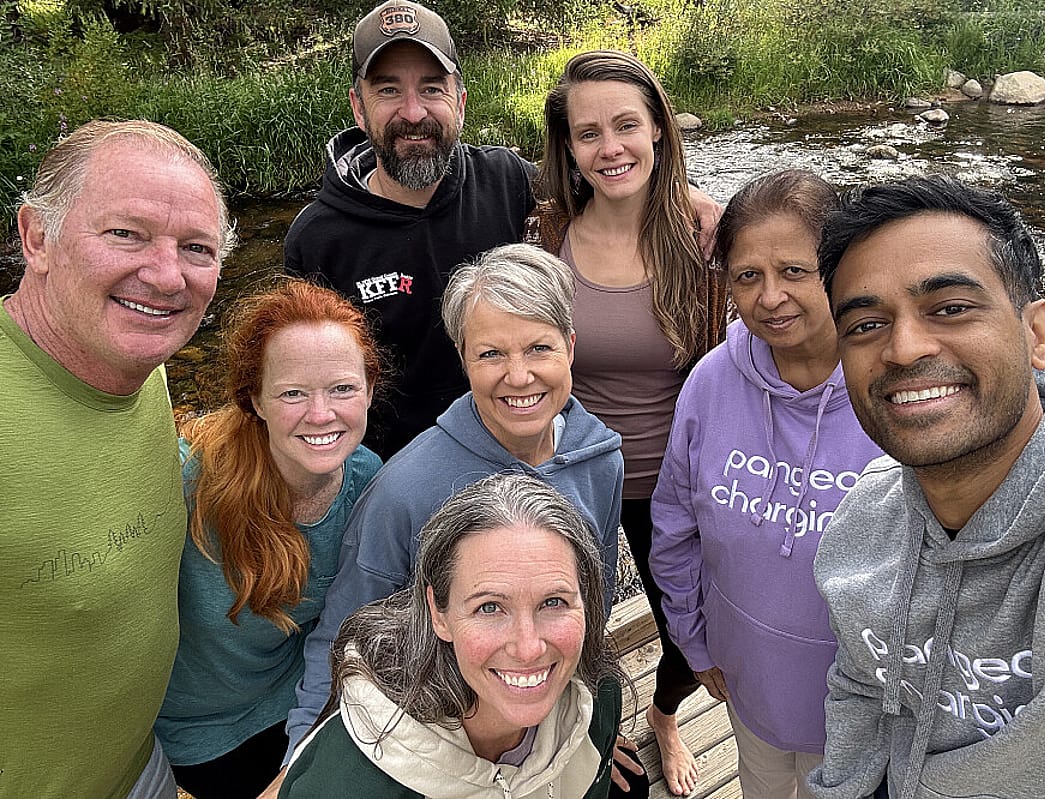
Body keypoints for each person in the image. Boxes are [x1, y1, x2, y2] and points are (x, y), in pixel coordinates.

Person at [809, 174, 1045, 799]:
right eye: (866, 325)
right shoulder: (867, 513)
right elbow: (861, 681)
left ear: (1038, 333)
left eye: (950, 308)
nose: (904, 348)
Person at [284, 1, 721, 461]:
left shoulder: (508, 181)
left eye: (432, 88)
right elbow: (305, 388)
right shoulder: (317, 239)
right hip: (395, 480)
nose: (413, 112)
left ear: (460, 101)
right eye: (389, 90)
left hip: (519, 467)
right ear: (358, 105)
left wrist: (682, 193)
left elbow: (607, 174)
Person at [284, 244, 625, 764]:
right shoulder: (406, 490)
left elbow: (588, 603)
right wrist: (301, 763)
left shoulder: (600, 462)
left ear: (570, 348)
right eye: (491, 354)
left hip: (547, 709)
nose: (518, 376)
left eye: (539, 348)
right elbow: (340, 640)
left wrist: (592, 722)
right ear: (463, 359)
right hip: (437, 733)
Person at [0, 119, 234, 798]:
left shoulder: (139, 363)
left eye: (196, 247)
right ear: (37, 237)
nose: (165, 276)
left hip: (141, 766)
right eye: (126, 234)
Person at [524, 50, 728, 796]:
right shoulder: (546, 236)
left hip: (673, 483)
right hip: (567, 477)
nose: (610, 148)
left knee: (689, 631)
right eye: (588, 133)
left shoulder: (704, 238)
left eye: (625, 126)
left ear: (659, 132)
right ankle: (584, 729)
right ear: (569, 148)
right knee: (566, 626)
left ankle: (665, 713)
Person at [650, 170, 882, 799]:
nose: (770, 296)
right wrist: (692, 640)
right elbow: (675, 527)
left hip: (863, 704)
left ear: (840, 266)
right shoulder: (710, 382)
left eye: (795, 271)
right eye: (748, 275)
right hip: (745, 674)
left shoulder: (890, 384)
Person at [153, 279, 384, 798]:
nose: (321, 414)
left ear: (370, 389)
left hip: (302, 702)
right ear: (254, 398)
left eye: (342, 389)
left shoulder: (368, 481)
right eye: (293, 393)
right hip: (200, 731)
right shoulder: (191, 483)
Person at [279, 473, 625, 798]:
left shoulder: (596, 696)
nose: (528, 648)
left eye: (553, 601)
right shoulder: (346, 783)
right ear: (438, 613)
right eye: (489, 608)